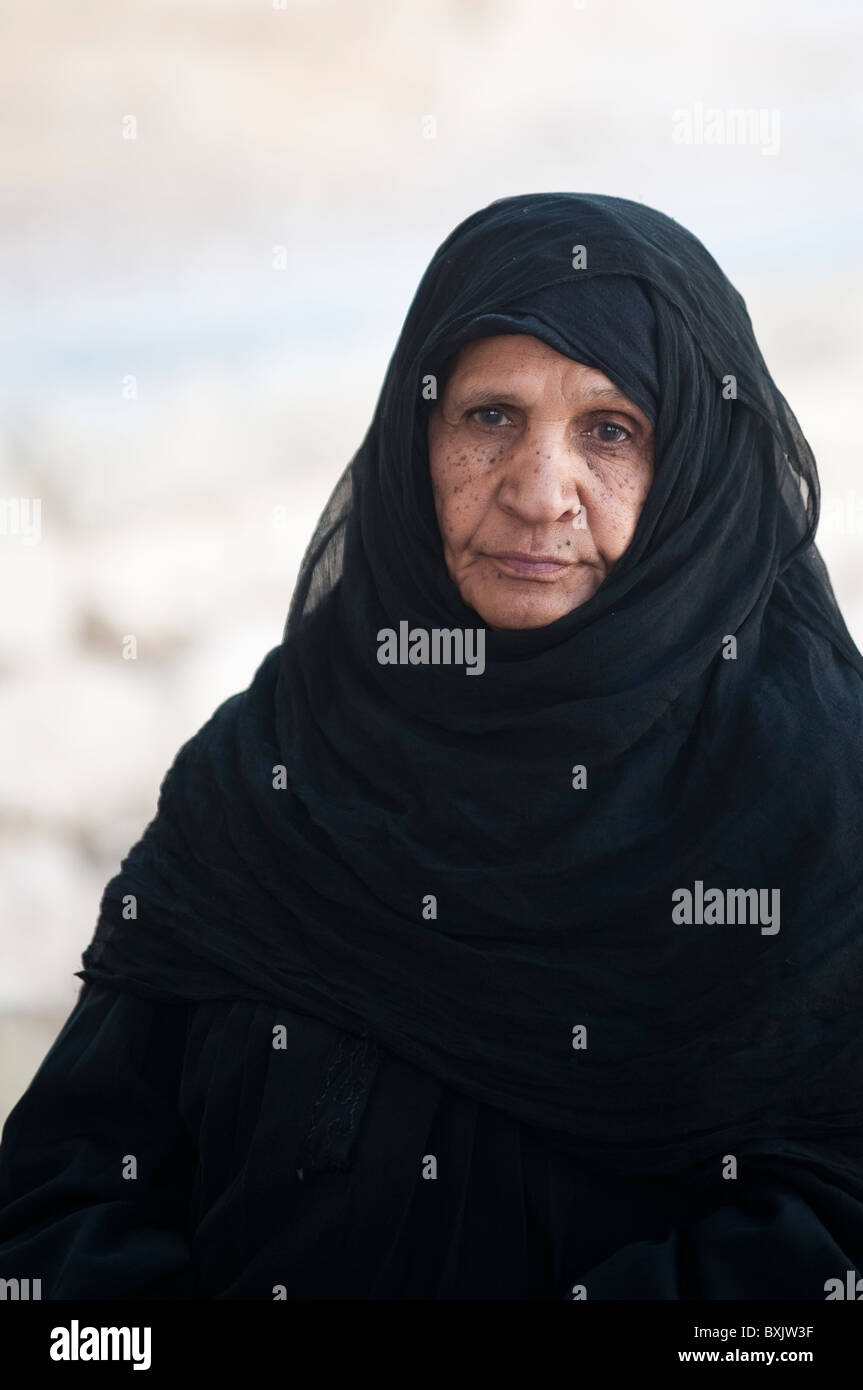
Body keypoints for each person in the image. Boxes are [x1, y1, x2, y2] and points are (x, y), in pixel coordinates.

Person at [1, 191, 862, 1301]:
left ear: (695, 469)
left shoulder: (815, 810)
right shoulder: (268, 768)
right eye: (489, 417)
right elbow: (59, 1195)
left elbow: (827, 1237)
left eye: (611, 431)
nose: (537, 493)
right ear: (416, 440)